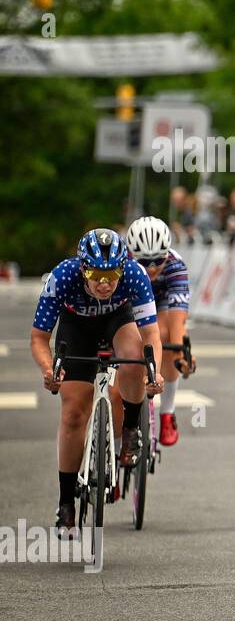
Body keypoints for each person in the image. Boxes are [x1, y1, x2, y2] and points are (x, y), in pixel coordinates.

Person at [31, 229, 163, 537]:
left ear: (122, 267)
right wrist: (48, 369)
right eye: (95, 274)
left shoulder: (134, 273)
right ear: (82, 268)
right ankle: (66, 503)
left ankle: (130, 428)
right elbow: (39, 338)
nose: (104, 283)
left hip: (118, 320)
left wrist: (153, 372)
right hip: (76, 329)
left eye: (111, 275)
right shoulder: (62, 277)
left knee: (134, 355)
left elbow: (152, 335)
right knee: (75, 412)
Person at [123, 217, 193, 446]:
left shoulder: (175, 265)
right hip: (129, 302)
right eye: (144, 261)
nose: (152, 267)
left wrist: (181, 353)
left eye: (158, 260)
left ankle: (168, 412)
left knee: (167, 338)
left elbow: (177, 320)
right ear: (132, 255)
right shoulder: (121, 263)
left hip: (161, 303)